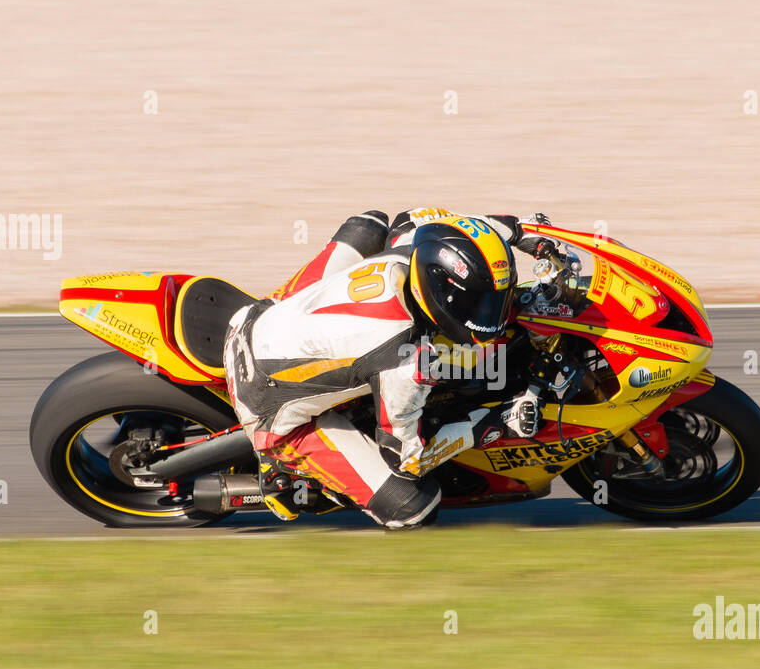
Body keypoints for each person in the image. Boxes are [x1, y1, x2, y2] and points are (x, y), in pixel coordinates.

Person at [223, 207, 544, 528]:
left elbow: (415, 218)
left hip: (259, 315)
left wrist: (515, 231)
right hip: (263, 401)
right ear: (440, 289)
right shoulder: (403, 360)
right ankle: (287, 468)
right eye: (479, 303)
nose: (492, 315)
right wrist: (494, 423)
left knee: (369, 224)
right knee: (413, 508)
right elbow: (407, 460)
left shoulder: (411, 249)